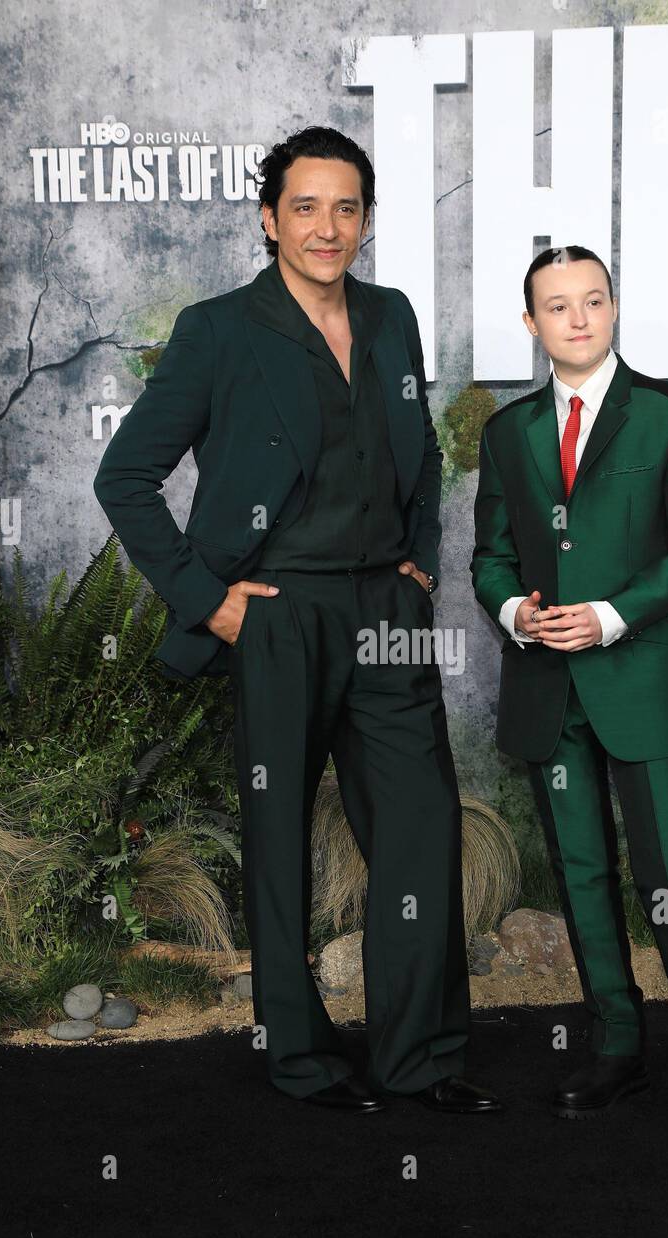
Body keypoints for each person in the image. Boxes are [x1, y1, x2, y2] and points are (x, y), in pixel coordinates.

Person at [94, 125, 501, 1116]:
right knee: (278, 837)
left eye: (347, 206)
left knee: (419, 826)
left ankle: (418, 1057)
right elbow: (125, 477)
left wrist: (418, 564)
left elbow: (423, 457)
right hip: (277, 611)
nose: (328, 226)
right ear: (269, 218)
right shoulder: (218, 330)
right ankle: (304, 1060)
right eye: (306, 206)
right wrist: (208, 599)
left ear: (365, 220)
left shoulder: (392, 316)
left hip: (384, 612)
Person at [471, 245, 668, 1161]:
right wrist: (516, 610)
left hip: (644, 686)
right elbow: (493, 556)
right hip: (549, 690)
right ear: (532, 325)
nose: (579, 318)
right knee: (584, 877)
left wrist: (611, 614)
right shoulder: (508, 433)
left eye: (593, 301)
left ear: (615, 308)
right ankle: (617, 1045)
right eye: (558, 306)